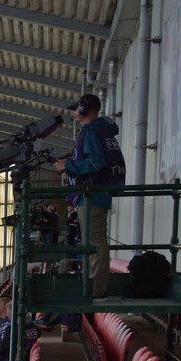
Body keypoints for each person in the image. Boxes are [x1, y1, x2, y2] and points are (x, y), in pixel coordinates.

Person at [52, 93, 125, 299]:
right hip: (96, 195)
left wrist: (68, 165)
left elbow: (95, 163)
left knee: (94, 243)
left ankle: (95, 289)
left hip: (92, 195)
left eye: (77, 109)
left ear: (85, 109)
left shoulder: (92, 132)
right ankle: (93, 285)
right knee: (94, 242)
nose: (75, 113)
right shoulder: (102, 131)